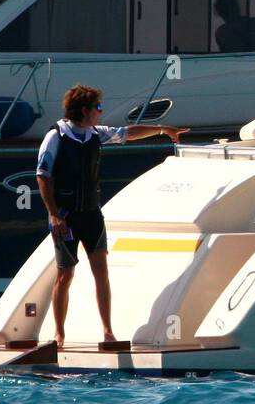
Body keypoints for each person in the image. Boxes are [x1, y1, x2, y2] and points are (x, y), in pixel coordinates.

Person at [36, 84, 187, 349]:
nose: (100, 112)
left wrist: (163, 129)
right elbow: (42, 176)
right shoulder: (57, 135)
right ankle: (59, 333)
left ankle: (107, 331)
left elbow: (128, 133)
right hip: (65, 216)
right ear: (85, 110)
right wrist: (53, 214)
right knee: (65, 274)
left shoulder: (95, 134)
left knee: (101, 271)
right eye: (98, 108)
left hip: (92, 214)